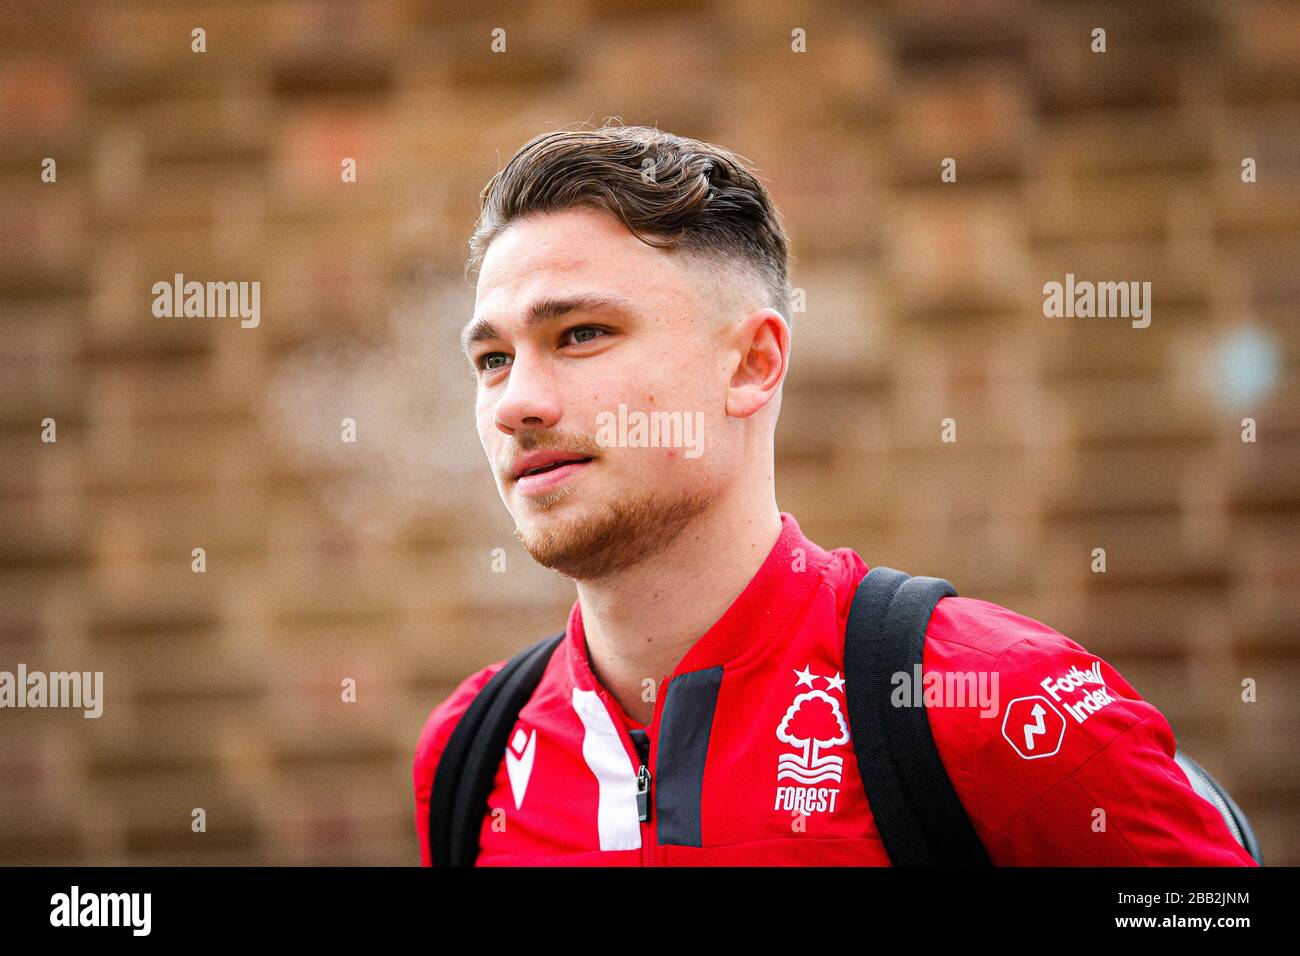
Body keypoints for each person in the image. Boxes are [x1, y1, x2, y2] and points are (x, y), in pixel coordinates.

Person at [413, 123, 1256, 866]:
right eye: (492, 359)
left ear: (751, 364)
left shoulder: (995, 702)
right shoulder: (470, 752)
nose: (517, 401)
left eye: (581, 334)